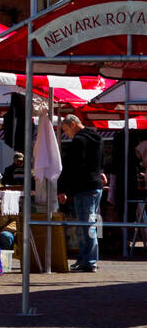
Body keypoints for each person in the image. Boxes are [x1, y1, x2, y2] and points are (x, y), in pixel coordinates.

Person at [57, 113, 104, 272]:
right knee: (90, 224)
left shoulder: (79, 141)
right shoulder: (96, 137)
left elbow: (72, 166)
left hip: (84, 187)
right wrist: (100, 172)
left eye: (66, 130)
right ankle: (85, 259)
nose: (66, 134)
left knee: (87, 225)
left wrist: (63, 188)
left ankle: (89, 261)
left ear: (73, 125)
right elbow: (100, 160)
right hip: (96, 185)